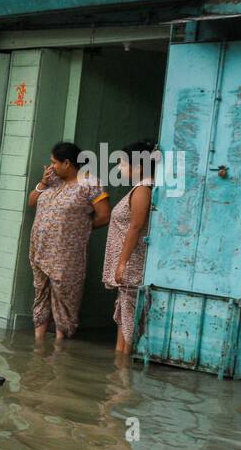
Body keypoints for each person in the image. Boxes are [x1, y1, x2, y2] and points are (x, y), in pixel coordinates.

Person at [27, 141, 110, 342]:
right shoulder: (52, 180)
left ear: (67, 163)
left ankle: (59, 344)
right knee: (41, 293)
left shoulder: (90, 183)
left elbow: (104, 215)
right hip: (40, 249)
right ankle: (38, 341)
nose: (51, 166)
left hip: (66, 253)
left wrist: (77, 230)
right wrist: (43, 183)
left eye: (54, 162)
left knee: (65, 295)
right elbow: (32, 202)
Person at [103, 141, 156, 355]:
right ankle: (120, 371)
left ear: (139, 166)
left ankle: (123, 376)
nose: (119, 168)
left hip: (132, 266)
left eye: (122, 163)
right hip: (128, 266)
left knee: (129, 323)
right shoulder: (138, 188)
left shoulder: (143, 189)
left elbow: (135, 227)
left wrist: (122, 263)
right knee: (124, 316)